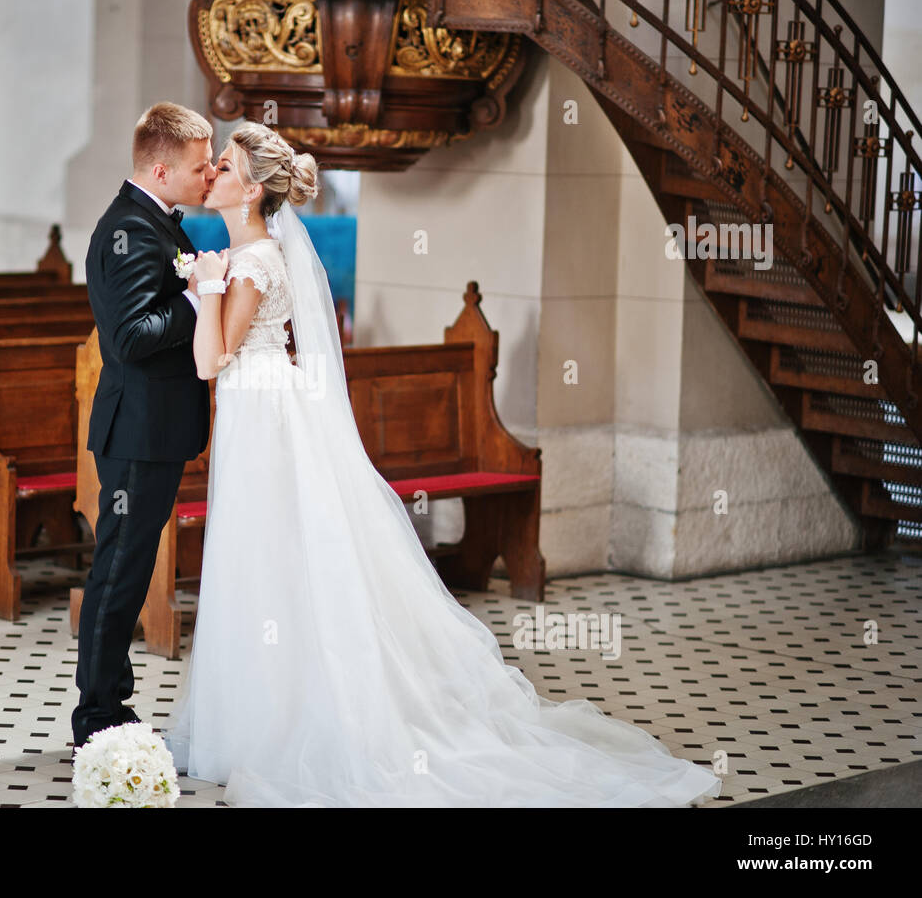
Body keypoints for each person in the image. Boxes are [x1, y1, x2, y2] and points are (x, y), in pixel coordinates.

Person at [160, 119, 724, 807]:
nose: (211, 170)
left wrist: (208, 284)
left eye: (223, 164)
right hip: (264, 412)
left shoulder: (251, 262)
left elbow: (208, 360)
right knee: (264, 557)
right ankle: (249, 715)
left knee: (272, 556)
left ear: (250, 190)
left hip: (266, 418)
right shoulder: (257, 252)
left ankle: (275, 723)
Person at [72, 102, 216, 750]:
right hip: (137, 432)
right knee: (120, 570)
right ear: (160, 169)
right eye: (197, 165)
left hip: (155, 429)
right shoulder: (128, 230)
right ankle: (96, 715)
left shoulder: (155, 220)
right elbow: (130, 337)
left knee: (127, 568)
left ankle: (113, 701)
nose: (207, 173)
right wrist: (195, 296)